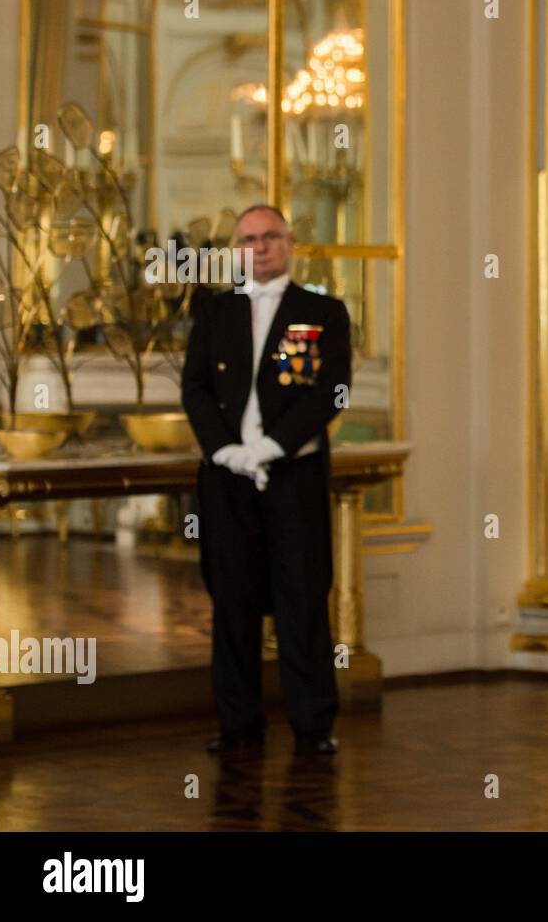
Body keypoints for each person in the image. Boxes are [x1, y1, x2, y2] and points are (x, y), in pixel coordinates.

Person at [181, 204, 351, 756]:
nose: (259, 247)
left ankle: (313, 725)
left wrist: (273, 447)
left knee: (302, 600)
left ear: (290, 242)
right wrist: (226, 450)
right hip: (227, 481)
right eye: (249, 239)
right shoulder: (215, 311)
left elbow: (331, 390)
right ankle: (238, 725)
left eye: (270, 237)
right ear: (238, 248)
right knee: (232, 602)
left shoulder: (324, 311)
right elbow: (195, 389)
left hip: (294, 476)